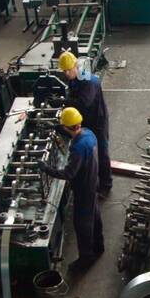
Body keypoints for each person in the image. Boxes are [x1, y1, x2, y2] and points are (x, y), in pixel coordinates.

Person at [40, 107, 105, 271]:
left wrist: (46, 168)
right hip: (93, 181)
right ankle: (99, 246)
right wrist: (56, 127)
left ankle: (86, 258)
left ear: (68, 127)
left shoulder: (78, 148)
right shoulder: (89, 133)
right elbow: (70, 130)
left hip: (83, 190)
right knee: (95, 216)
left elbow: (69, 173)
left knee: (82, 225)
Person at [58, 51, 112, 196]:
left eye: (69, 69)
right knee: (92, 151)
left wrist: (63, 102)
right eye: (64, 71)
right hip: (87, 119)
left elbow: (83, 104)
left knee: (101, 152)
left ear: (76, 66)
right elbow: (74, 98)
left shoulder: (88, 81)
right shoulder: (75, 79)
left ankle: (106, 186)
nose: (67, 73)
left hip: (98, 121)